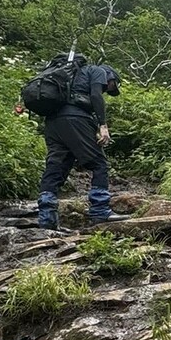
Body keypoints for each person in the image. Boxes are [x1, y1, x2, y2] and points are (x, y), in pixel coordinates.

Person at [37, 54, 126, 230]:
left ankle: (47, 219)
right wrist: (103, 125)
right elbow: (95, 95)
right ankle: (100, 212)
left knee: (56, 167)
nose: (107, 90)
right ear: (111, 77)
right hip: (76, 118)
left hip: (53, 122)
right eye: (110, 87)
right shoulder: (99, 71)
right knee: (99, 164)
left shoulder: (67, 77)